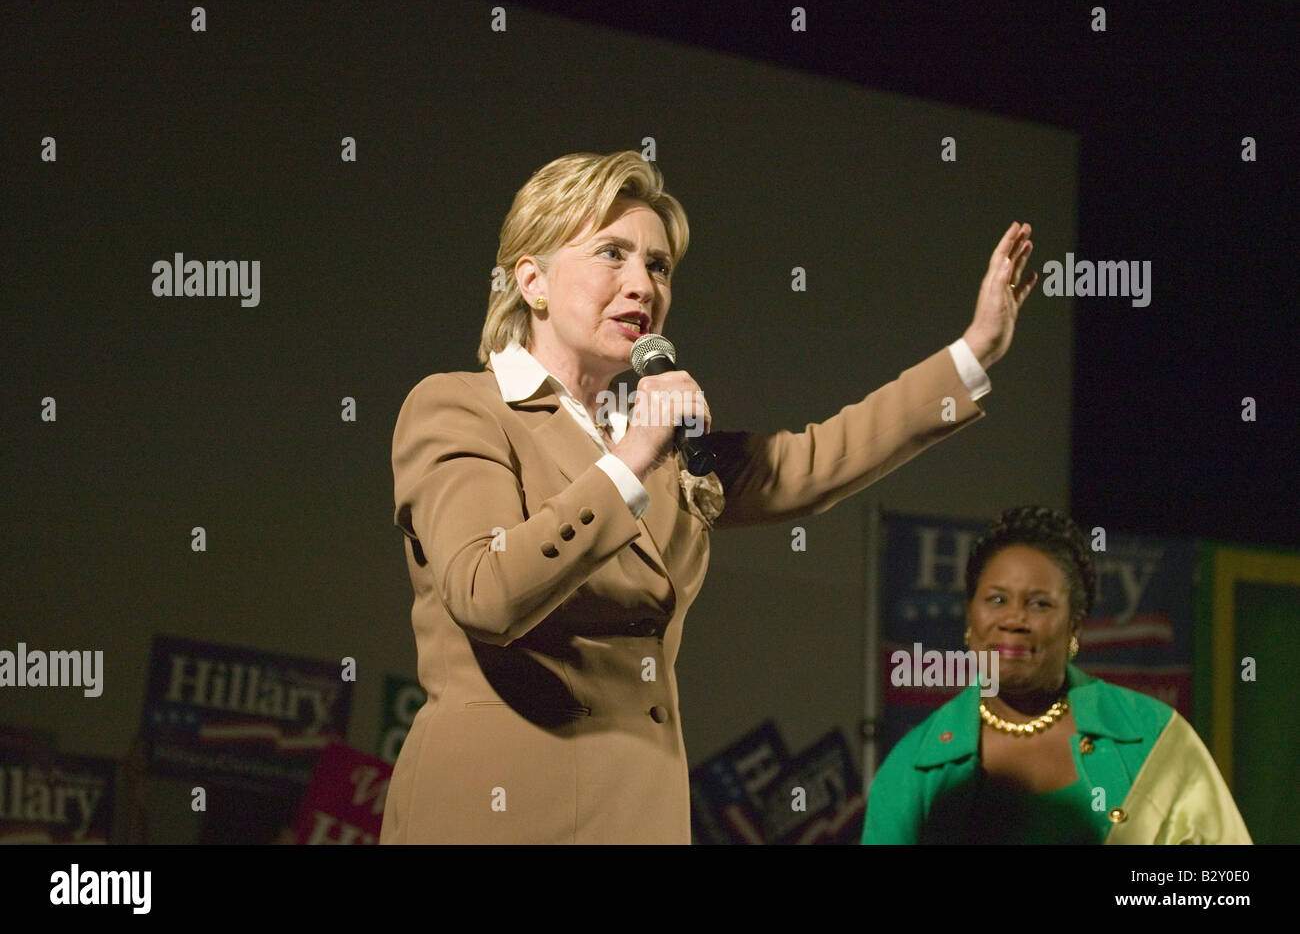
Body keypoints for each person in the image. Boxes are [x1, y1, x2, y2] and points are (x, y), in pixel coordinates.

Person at [381, 150, 1036, 843]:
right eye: (612, 253)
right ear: (532, 280)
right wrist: (632, 456)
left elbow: (814, 461)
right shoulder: (462, 407)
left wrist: (976, 350)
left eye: (658, 266)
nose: (643, 284)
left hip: (637, 820)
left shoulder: (656, 447)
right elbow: (485, 593)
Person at [862, 505, 1252, 844]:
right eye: (996, 599)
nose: (1014, 619)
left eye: (1039, 604)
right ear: (969, 618)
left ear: (1075, 628)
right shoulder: (913, 768)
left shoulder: (1153, 736)